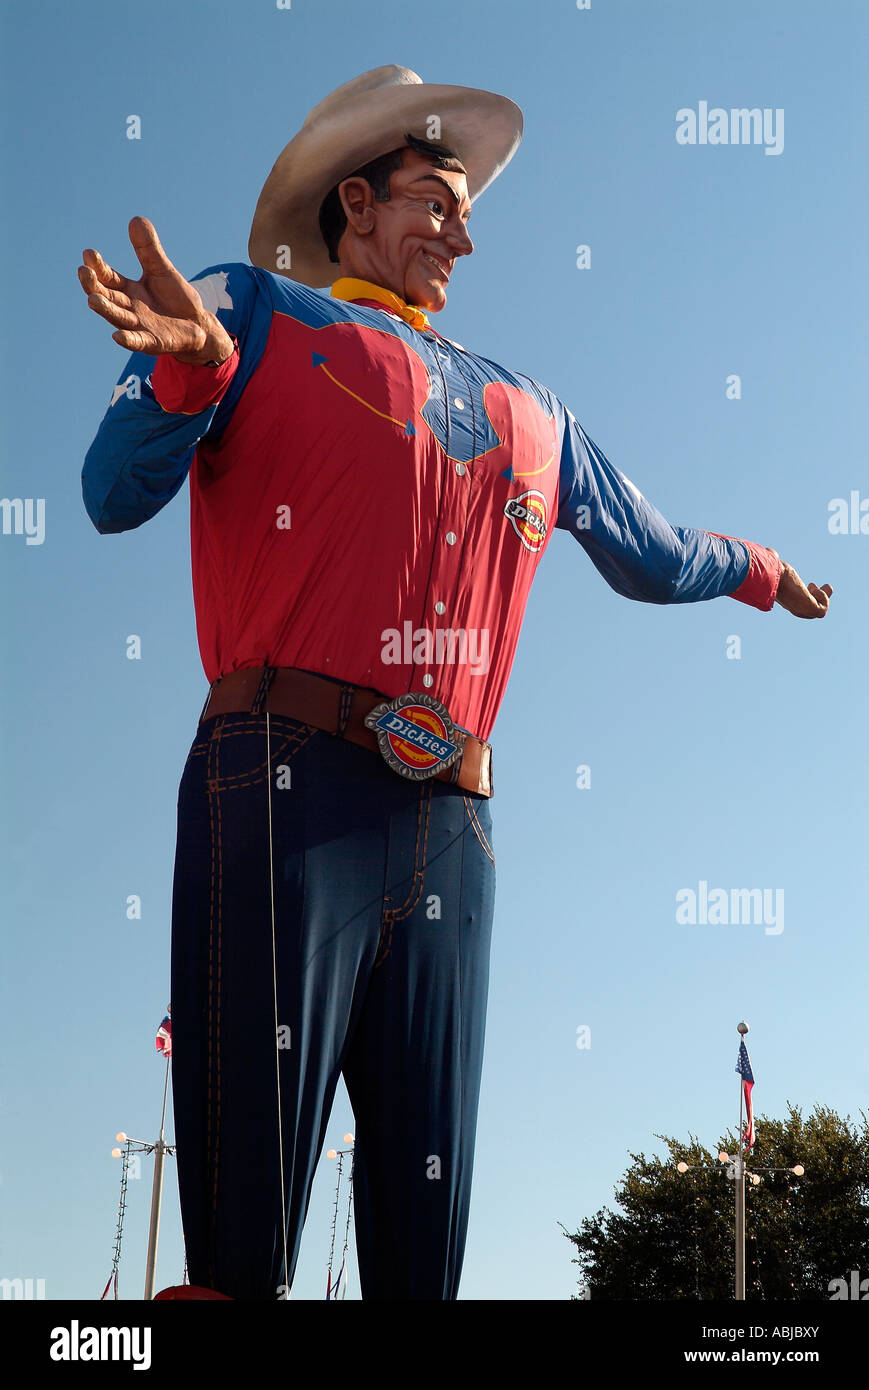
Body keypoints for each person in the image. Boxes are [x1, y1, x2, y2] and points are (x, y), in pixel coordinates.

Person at [79, 65, 832, 1302]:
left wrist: (758, 570)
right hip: (281, 787)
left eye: (468, 209)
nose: (462, 233)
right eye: (436, 201)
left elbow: (651, 554)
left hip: (455, 828)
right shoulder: (246, 308)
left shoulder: (536, 407)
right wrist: (188, 378)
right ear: (357, 204)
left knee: (424, 1253)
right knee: (236, 1254)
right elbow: (113, 495)